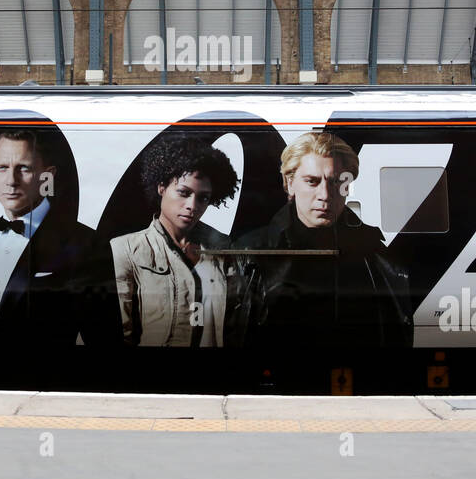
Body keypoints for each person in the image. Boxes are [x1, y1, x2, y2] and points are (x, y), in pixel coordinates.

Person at [232, 132, 412, 349]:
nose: (325, 194)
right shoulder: (251, 251)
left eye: (336, 182)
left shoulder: (373, 251)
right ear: (289, 184)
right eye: (312, 181)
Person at [0, 129, 115, 346]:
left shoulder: (86, 244)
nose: (11, 180)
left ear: (47, 176)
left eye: (24, 168)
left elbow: (103, 339)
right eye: (2, 168)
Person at [111, 138, 240, 347]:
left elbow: (235, 328)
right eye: (184, 192)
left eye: (203, 197)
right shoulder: (125, 250)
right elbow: (114, 332)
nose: (192, 205)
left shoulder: (223, 252)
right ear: (162, 186)